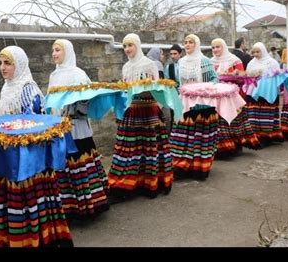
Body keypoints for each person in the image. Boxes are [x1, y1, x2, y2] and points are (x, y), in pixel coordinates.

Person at [0, 45, 73, 247]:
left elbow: (35, 126)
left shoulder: (28, 90)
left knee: (28, 201)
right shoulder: (7, 87)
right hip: (7, 154)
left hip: (27, 159)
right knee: (8, 201)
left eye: (8, 63)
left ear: (20, 65)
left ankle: (33, 239)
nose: (2, 67)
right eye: (0, 63)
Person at [48, 39, 109, 220]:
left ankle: (89, 204)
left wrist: (73, 107)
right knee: (63, 164)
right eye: (53, 50)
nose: (54, 54)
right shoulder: (54, 75)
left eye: (57, 50)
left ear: (67, 51)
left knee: (79, 160)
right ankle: (68, 206)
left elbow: (88, 98)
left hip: (76, 127)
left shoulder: (78, 74)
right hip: (59, 127)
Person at [108, 33, 172, 199]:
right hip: (132, 111)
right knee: (130, 149)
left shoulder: (149, 64)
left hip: (149, 110)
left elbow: (158, 89)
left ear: (137, 45)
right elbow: (125, 91)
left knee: (149, 148)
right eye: (125, 46)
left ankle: (150, 182)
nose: (127, 49)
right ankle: (129, 183)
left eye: (130, 45)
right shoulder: (126, 67)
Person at [169, 34, 219, 180]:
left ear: (196, 44)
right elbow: (179, 82)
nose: (187, 45)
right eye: (185, 42)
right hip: (185, 103)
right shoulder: (181, 62)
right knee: (183, 136)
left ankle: (199, 167)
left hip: (202, 105)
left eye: (191, 42)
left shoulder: (204, 61)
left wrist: (202, 89)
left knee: (199, 137)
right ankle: (182, 166)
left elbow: (215, 79)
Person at [210, 38, 261, 156]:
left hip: (232, 96)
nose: (215, 49)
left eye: (218, 47)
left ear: (224, 47)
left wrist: (231, 75)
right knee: (220, 122)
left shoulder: (234, 60)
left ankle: (236, 145)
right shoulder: (210, 61)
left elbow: (242, 77)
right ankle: (223, 148)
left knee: (234, 120)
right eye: (213, 47)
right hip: (216, 96)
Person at [245, 42, 283, 145]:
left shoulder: (272, 62)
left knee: (265, 114)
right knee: (253, 112)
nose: (256, 54)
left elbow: (277, 75)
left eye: (258, 52)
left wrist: (264, 76)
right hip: (253, 91)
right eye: (254, 52)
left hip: (267, 92)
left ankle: (267, 137)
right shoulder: (251, 62)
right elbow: (247, 74)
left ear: (263, 51)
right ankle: (255, 135)